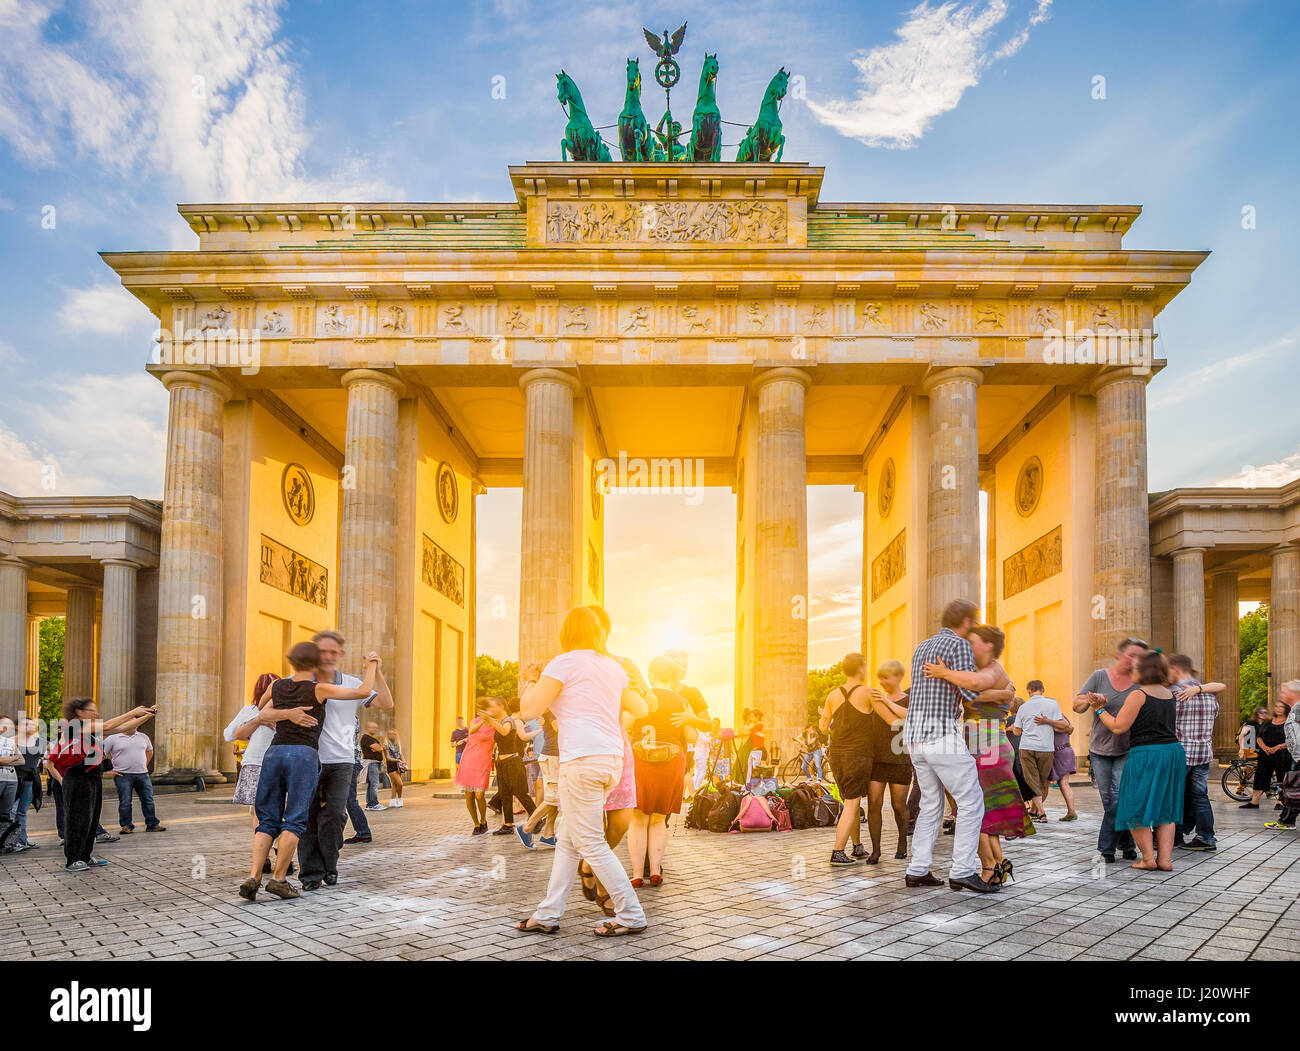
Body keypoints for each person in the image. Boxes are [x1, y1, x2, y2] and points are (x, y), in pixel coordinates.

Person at [517, 606, 649, 937]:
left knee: (590, 842)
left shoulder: (564, 662)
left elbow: (529, 709)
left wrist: (533, 679)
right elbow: (641, 708)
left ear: (567, 632)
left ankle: (631, 913)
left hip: (581, 760)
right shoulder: (613, 667)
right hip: (611, 760)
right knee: (568, 839)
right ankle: (547, 913)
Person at [240, 642, 378, 900]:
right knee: (294, 819)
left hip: (274, 753)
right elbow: (365, 690)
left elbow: (261, 709)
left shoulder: (276, 685)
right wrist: (372, 665)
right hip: (303, 755)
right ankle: (279, 879)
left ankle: (254, 876)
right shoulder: (319, 689)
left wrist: (287, 713)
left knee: (267, 818)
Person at [924, 625, 1030, 887]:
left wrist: (944, 674)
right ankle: (1000, 862)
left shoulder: (987, 672)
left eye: (972, 643)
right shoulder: (986, 672)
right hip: (989, 742)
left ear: (988, 646)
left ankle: (989, 868)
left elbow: (971, 692)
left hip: (987, 745)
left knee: (970, 806)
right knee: (985, 809)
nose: (967, 648)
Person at [902, 599, 994, 893]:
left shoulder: (921, 647)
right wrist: (1001, 689)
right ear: (966, 623)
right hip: (941, 733)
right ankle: (963, 871)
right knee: (971, 801)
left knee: (931, 803)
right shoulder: (959, 646)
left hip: (914, 736)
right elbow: (969, 690)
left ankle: (917, 869)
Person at [296, 630, 393, 887]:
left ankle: (330, 863)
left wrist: (377, 669)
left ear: (340, 654)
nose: (327, 656)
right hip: (308, 759)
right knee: (307, 816)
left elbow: (386, 702)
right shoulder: (299, 681)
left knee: (336, 815)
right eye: (322, 651)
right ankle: (311, 875)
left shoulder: (351, 683)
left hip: (342, 761)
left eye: (332, 652)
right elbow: (269, 707)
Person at [1090, 650, 1185, 872]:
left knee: (1133, 806)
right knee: (1165, 808)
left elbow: (1118, 726)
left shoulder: (1139, 694)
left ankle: (1148, 859)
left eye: (1134, 667)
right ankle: (1165, 860)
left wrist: (1099, 709)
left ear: (1143, 670)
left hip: (1146, 754)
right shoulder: (1169, 693)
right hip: (1172, 752)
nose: (1130, 670)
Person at [49, 698, 156, 873]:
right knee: (78, 819)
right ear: (79, 712)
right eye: (91, 710)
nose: (96, 713)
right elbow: (107, 726)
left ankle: (85, 855)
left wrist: (148, 715)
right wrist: (132, 712)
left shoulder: (91, 731)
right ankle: (73, 859)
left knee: (91, 819)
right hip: (77, 778)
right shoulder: (74, 726)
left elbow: (121, 728)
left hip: (92, 777)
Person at [1074, 636, 1148, 863]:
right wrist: (1090, 700)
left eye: (1140, 657)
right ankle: (1126, 844)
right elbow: (1076, 706)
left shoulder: (1140, 683)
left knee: (1118, 799)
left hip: (1128, 749)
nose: (1135, 660)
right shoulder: (1099, 676)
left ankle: (1106, 848)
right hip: (1099, 749)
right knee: (1110, 801)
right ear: (1119, 655)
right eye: (1131, 655)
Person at [627, 657, 696, 886]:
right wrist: (691, 719)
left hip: (642, 761)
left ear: (651, 674)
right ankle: (655, 871)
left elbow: (625, 722)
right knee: (658, 819)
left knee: (638, 818)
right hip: (671, 763)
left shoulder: (643, 698)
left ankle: (637, 875)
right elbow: (692, 737)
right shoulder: (681, 701)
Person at [821, 654, 876, 865]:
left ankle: (857, 846)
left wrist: (826, 716)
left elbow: (823, 727)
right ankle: (837, 851)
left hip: (837, 753)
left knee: (850, 800)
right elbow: (883, 717)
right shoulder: (867, 692)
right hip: (858, 754)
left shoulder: (832, 695)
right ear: (861, 668)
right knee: (853, 802)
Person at [861, 660, 913, 862]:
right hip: (877, 759)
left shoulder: (909, 700)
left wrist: (887, 703)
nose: (882, 681)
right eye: (879, 677)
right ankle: (876, 850)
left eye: (886, 676)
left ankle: (902, 841)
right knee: (874, 804)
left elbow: (912, 720)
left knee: (899, 806)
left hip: (900, 758)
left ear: (899, 677)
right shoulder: (875, 699)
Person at [1169, 653, 1222, 850]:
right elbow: (1214, 714)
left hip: (1181, 752)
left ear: (1175, 668)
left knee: (1173, 796)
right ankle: (1206, 837)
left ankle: (1172, 836)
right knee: (1200, 796)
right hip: (1203, 753)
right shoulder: (1208, 693)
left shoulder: (1174, 693)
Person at [482, 696, 538, 844]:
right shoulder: (499, 722)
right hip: (502, 763)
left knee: (520, 793)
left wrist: (490, 720)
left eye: (493, 707)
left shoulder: (509, 721)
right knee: (505, 794)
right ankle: (508, 824)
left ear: (501, 706)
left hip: (513, 762)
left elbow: (505, 732)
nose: (491, 710)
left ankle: (537, 820)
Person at [1011, 681, 1067, 820]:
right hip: (1046, 748)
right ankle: (1041, 812)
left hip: (1027, 747)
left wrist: (1024, 728)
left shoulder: (1023, 707)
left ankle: (1037, 811)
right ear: (1043, 689)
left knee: (1031, 779)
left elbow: (1017, 731)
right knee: (1042, 780)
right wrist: (1048, 721)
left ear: (1028, 691)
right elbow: (1063, 725)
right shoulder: (1053, 704)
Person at [102, 722, 165, 834]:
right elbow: (99, 753)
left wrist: (144, 765)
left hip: (143, 774)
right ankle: (126, 826)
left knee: (148, 800)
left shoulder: (143, 737)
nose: (133, 725)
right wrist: (108, 771)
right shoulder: (113, 738)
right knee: (125, 801)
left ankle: (152, 824)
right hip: (122, 775)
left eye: (136, 723)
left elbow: (149, 751)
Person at [1244, 695, 1293, 809]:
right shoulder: (1268, 721)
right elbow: (1259, 737)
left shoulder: (1290, 722)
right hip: (1265, 754)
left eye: (1281, 707)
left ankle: (1281, 802)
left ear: (1286, 709)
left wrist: (1278, 747)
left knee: (1282, 778)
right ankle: (1254, 802)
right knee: (1260, 777)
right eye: (1276, 706)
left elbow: (1293, 740)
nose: (1278, 708)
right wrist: (1264, 747)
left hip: (1283, 755)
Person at [456, 699, 496, 834]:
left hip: (483, 762)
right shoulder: (475, 722)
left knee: (479, 795)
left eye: (483, 710)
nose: (480, 713)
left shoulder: (494, 725)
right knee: (468, 795)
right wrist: (483, 720)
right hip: (469, 760)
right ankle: (476, 824)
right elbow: (472, 731)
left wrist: (489, 720)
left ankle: (484, 820)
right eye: (479, 711)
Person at [521, 708, 560, 847]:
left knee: (556, 797)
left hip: (556, 755)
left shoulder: (552, 710)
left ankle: (548, 834)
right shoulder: (553, 710)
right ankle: (526, 828)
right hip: (552, 756)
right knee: (554, 798)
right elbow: (557, 728)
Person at [1267, 681, 1300, 829]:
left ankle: (1286, 820)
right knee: (1295, 788)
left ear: (1294, 693)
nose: (1282, 695)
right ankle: (1286, 820)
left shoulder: (1299, 708)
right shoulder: (1295, 709)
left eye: (1284, 691)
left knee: (1295, 787)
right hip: (1297, 756)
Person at [10, 716, 46, 852]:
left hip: (30, 779)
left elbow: (46, 756)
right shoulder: (12, 741)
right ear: (18, 727)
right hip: (15, 778)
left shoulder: (40, 742)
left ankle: (22, 840)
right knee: (11, 810)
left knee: (22, 811)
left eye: (32, 725)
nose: (30, 727)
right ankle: (10, 841)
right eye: (26, 724)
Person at [1048, 712, 1078, 821]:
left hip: (1060, 752)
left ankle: (1036, 811)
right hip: (1067, 750)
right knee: (1064, 783)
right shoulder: (1062, 716)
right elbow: (1070, 728)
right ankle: (1071, 811)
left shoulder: (1055, 717)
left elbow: (1061, 728)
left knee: (1062, 783)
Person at [0, 716, 20, 851]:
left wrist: (7, 759)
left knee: (5, 814)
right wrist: (13, 758)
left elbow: (21, 760)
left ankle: (3, 844)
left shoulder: (10, 742)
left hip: (11, 779)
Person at [359, 721, 387, 812]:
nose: (376, 729)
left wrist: (379, 747)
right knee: (374, 784)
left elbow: (378, 748)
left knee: (372, 784)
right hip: (372, 764)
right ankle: (373, 804)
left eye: (376, 728)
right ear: (367, 728)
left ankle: (370, 804)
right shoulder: (367, 738)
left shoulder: (370, 738)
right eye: (373, 727)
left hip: (374, 764)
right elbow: (379, 748)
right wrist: (381, 747)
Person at [384, 729, 406, 808]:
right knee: (400, 783)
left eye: (393, 734)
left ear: (396, 735)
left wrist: (404, 762)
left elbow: (401, 754)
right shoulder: (386, 744)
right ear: (387, 735)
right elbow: (387, 757)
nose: (391, 735)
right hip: (391, 766)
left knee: (394, 784)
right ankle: (400, 799)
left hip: (399, 766)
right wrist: (397, 760)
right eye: (389, 734)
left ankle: (392, 801)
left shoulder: (398, 744)